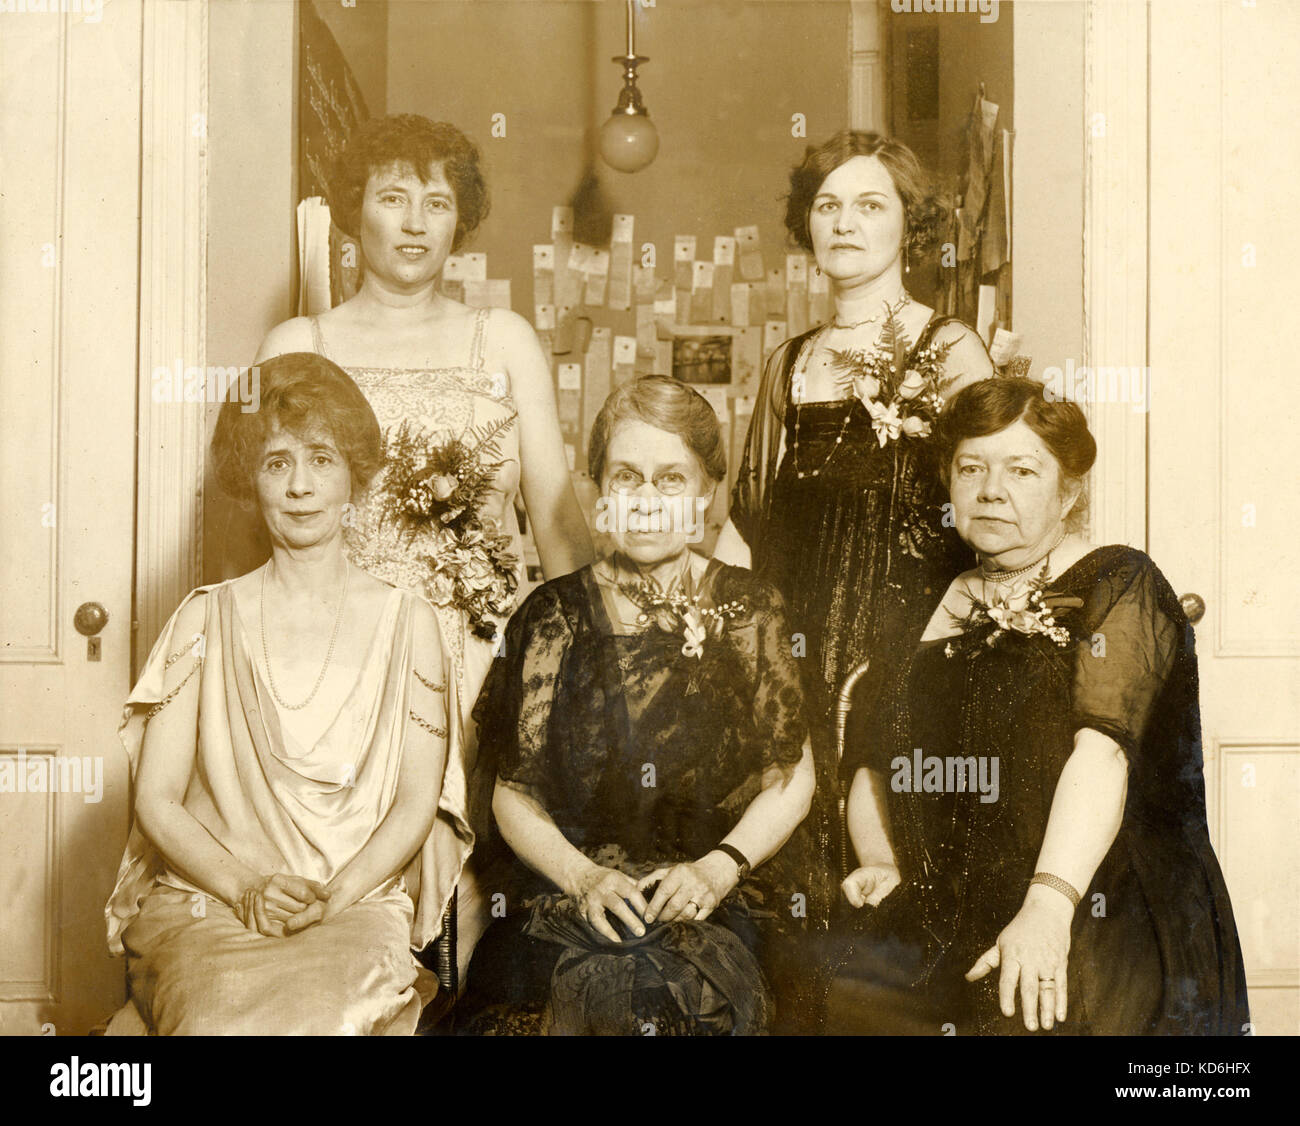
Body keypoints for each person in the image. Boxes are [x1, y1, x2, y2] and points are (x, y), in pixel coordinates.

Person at [255, 114, 593, 974]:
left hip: (482, 651)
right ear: (351, 212)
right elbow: (257, 519)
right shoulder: (301, 345)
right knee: (346, 895)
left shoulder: (504, 338)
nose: (413, 222)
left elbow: (554, 512)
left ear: (460, 220)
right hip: (339, 652)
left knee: (480, 900)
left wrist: (594, 655)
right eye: (392, 197)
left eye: (436, 202)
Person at [827, 377, 1249, 1035]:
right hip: (952, 902)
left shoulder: (1120, 582)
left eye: (1022, 470)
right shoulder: (915, 603)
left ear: (1069, 490)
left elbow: (1103, 752)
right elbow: (875, 763)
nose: (991, 489)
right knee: (842, 999)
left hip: (1093, 895)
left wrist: (1048, 909)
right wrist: (882, 859)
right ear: (950, 479)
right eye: (972, 467)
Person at [103, 353, 470, 1035]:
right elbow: (156, 798)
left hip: (352, 905)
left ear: (354, 477)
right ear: (250, 481)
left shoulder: (409, 622)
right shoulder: (201, 618)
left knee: (328, 1018)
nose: (301, 486)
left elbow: (418, 801)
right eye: (277, 463)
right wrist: (244, 888)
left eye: (322, 459)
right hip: (211, 904)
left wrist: (334, 898)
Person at [714, 132, 994, 1016]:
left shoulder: (951, 350)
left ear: (909, 226)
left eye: (871, 204)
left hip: (903, 658)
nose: (845, 222)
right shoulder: (789, 363)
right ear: (806, 223)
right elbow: (748, 523)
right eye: (828, 204)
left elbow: (985, 523)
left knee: (895, 903)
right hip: (795, 653)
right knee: (794, 894)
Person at [456, 376, 815, 1035]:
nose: (646, 503)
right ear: (598, 492)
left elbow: (792, 779)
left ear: (708, 493)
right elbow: (513, 793)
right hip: (575, 886)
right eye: (626, 477)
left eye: (671, 480)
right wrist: (582, 878)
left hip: (722, 887)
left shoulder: (751, 608)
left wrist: (719, 868)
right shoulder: (550, 616)